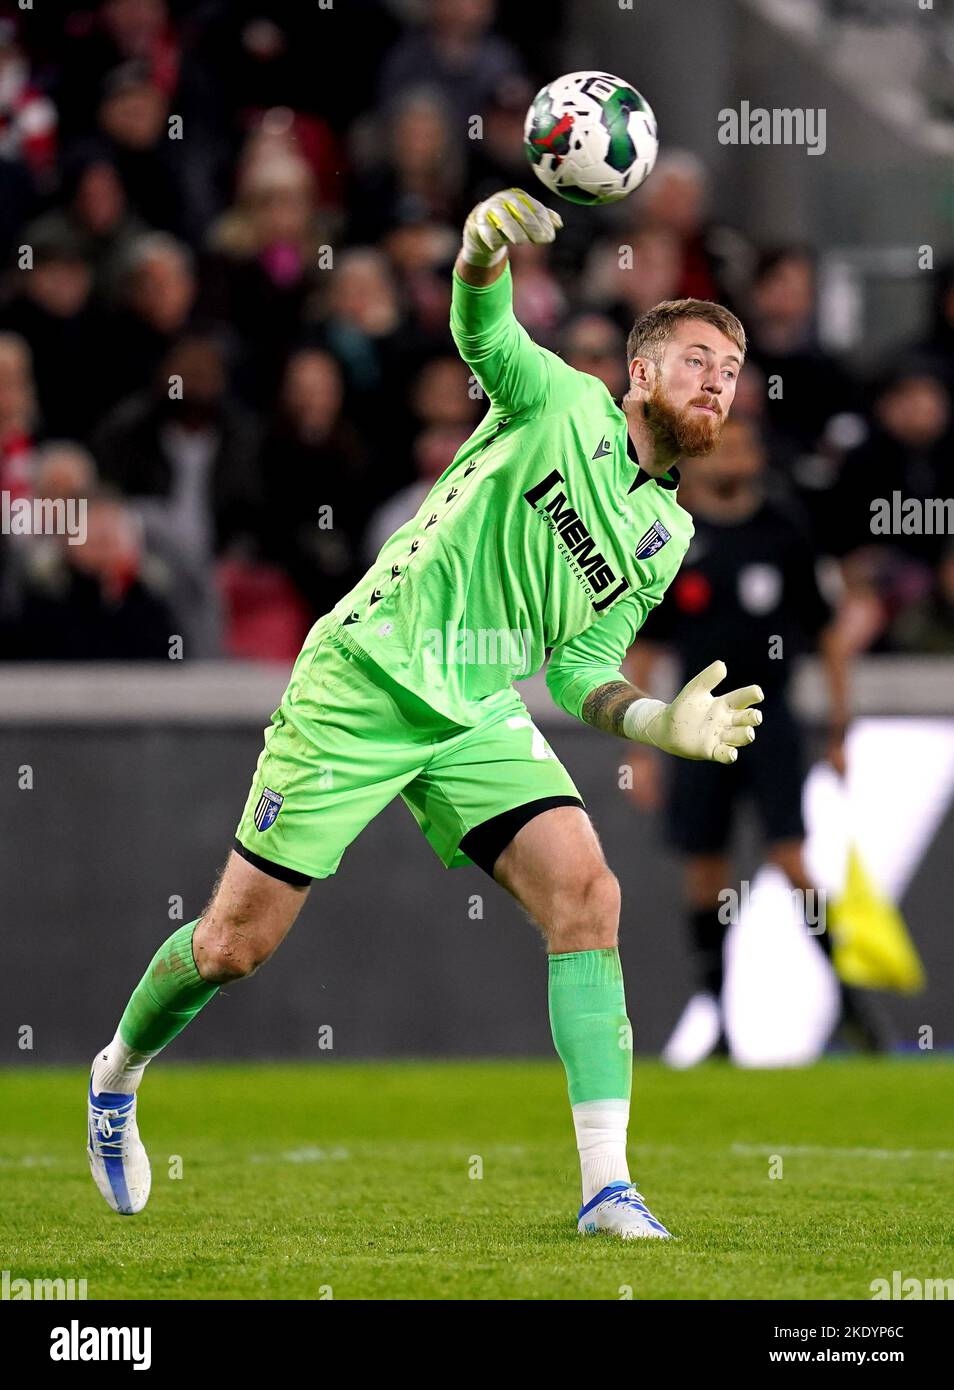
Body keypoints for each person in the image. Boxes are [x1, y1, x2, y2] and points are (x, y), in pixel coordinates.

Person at [87, 188, 763, 1241]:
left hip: (478, 709)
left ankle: (607, 1189)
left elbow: (583, 665)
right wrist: (482, 248)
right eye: (694, 362)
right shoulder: (564, 402)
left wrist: (654, 723)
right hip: (362, 680)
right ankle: (117, 1075)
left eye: (729, 374)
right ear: (639, 372)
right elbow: (481, 329)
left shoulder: (663, 532)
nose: (715, 385)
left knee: (588, 891)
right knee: (232, 947)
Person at [621, 417, 886, 1063]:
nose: (735, 457)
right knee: (705, 871)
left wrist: (840, 727)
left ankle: (849, 1002)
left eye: (745, 445)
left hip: (773, 724)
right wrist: (637, 745)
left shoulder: (785, 529)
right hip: (697, 728)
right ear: (700, 458)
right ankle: (718, 1020)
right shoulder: (673, 536)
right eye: (724, 447)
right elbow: (646, 647)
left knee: (793, 861)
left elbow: (826, 634)